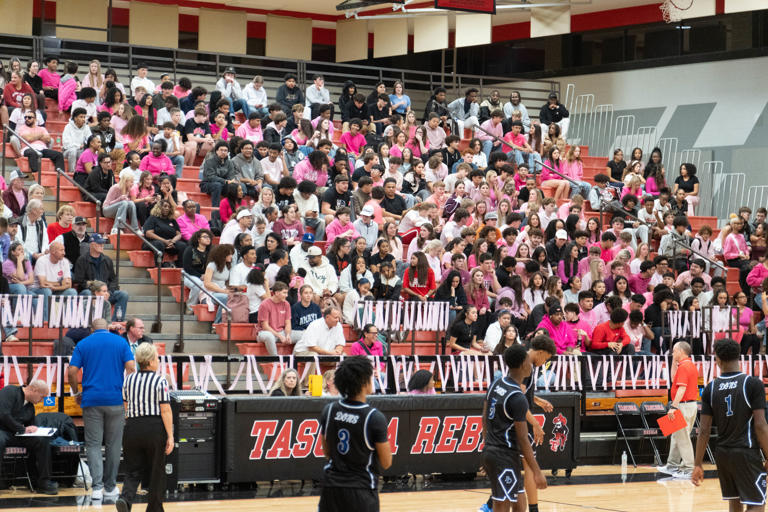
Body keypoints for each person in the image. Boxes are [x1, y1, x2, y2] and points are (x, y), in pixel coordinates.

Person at [693, 338, 768, 510]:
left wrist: (697, 464)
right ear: (739, 356)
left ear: (717, 359)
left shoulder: (711, 388)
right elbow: (761, 425)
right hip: (746, 453)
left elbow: (703, 430)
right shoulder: (752, 384)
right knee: (756, 503)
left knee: (735, 502)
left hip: (723, 455)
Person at [68, 318, 136, 501]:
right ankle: (110, 487)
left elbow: (71, 371)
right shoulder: (121, 342)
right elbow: (131, 368)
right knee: (114, 445)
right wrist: (126, 393)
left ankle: (96, 488)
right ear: (107, 328)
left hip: (91, 400)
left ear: (91, 329)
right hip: (115, 400)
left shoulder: (83, 344)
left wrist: (76, 392)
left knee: (93, 445)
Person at [318, 355, 392, 512]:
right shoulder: (374, 417)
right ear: (364, 382)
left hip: (331, 487)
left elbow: (326, 452)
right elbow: (386, 462)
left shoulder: (329, 410)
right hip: (361, 490)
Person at [482, 344, 547, 512]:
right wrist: (537, 471)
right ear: (523, 364)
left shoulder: (496, 384)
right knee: (501, 505)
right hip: (504, 456)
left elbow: (484, 419)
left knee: (519, 503)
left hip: (496, 453)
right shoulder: (517, 397)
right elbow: (523, 439)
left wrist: (486, 448)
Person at [116, 342, 173, 512]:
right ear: (150, 361)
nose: (158, 361)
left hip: (132, 427)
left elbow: (125, 405)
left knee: (132, 469)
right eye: (156, 358)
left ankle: (125, 499)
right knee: (157, 470)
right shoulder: (160, 380)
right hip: (154, 428)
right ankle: (154, 508)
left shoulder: (129, 379)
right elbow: (165, 410)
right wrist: (170, 435)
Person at [0, 380, 58, 495]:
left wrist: (34, 429)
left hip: (18, 435)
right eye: (42, 397)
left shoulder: (30, 407)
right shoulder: (10, 391)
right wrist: (22, 429)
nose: (42, 401)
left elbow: (30, 425)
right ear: (34, 390)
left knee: (42, 440)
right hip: (3, 431)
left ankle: (43, 482)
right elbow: (3, 414)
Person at [655, 341, 699, 479]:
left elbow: (681, 388)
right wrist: (674, 363)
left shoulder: (685, 367)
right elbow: (674, 380)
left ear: (681, 351)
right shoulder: (688, 365)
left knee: (683, 438)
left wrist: (673, 407)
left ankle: (689, 468)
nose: (673, 353)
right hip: (688, 405)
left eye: (674, 351)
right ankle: (672, 465)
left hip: (683, 406)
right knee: (676, 436)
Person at [257, 281, 292, 355]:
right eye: (284, 293)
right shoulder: (265, 304)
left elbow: (288, 323)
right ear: (276, 293)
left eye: (287, 293)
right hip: (265, 332)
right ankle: (275, 360)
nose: (286, 295)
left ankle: (294, 359)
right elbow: (265, 327)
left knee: (301, 335)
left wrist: (288, 334)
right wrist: (280, 336)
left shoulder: (286, 304)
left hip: (281, 332)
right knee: (269, 336)